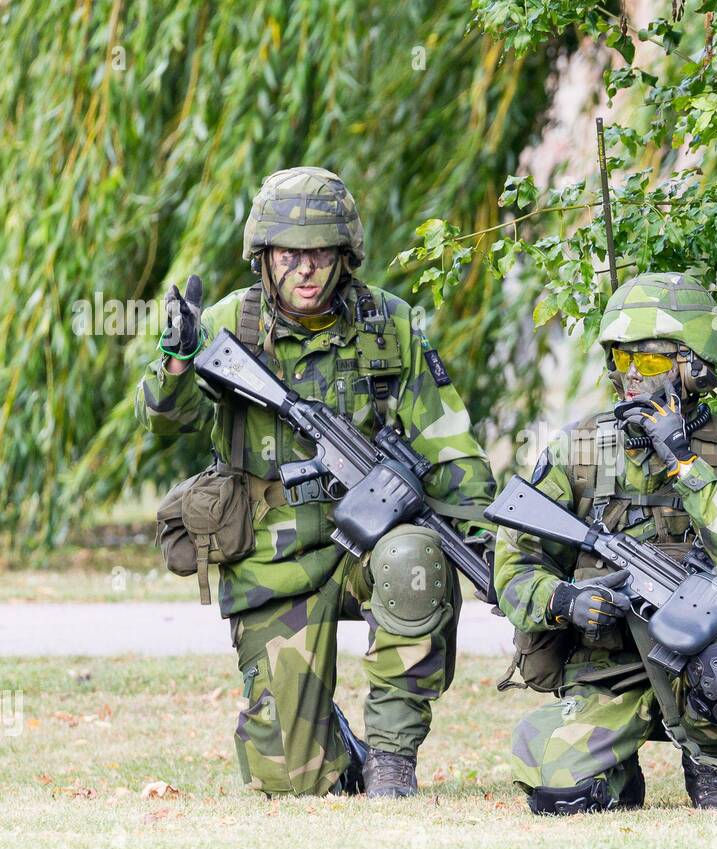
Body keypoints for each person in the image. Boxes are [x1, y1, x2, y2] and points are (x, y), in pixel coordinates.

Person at [137, 166, 495, 799]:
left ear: (345, 255)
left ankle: (389, 758)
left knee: (416, 556)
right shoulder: (230, 325)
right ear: (263, 257)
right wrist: (177, 358)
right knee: (292, 779)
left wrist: (492, 549)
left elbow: (449, 447)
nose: (304, 269)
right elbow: (166, 424)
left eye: (320, 253)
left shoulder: (390, 324)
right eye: (288, 254)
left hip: (373, 545)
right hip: (273, 556)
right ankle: (333, 742)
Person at [493, 272, 717, 813]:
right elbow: (515, 562)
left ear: (696, 368)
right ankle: (616, 774)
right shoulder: (578, 450)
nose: (631, 379)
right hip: (610, 668)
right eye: (622, 361)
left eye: (648, 363)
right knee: (561, 793)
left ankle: (713, 762)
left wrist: (686, 467)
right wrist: (565, 602)